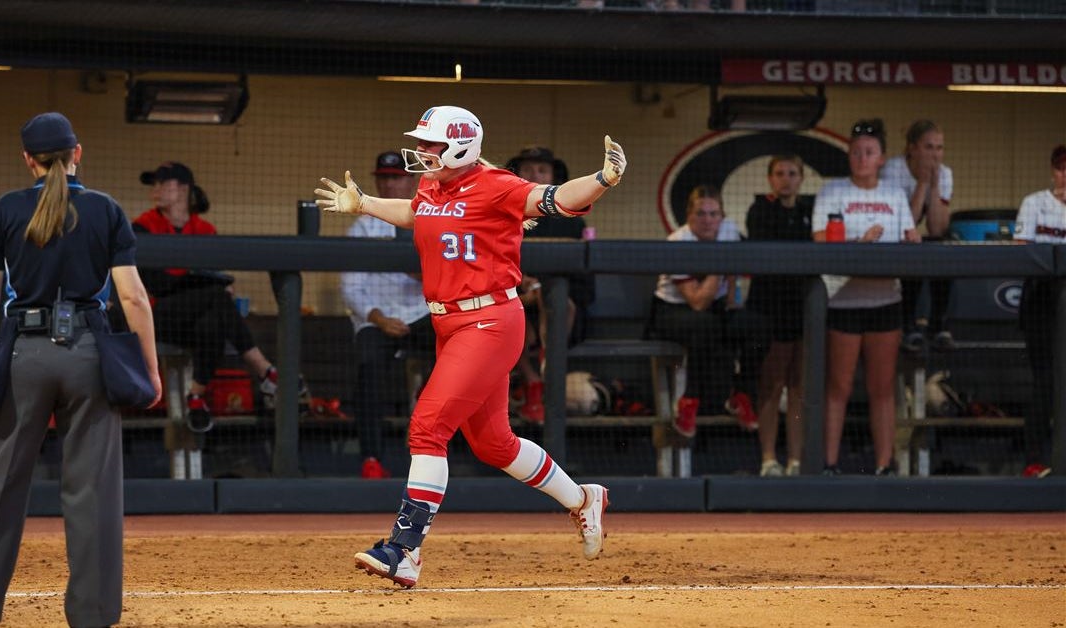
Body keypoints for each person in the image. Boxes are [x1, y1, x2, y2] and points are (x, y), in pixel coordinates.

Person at [316, 105, 624, 587]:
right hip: (448, 324)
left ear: (460, 145)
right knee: (493, 443)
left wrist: (602, 178)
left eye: (431, 145)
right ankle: (583, 499)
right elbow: (417, 214)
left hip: (490, 320)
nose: (421, 152)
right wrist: (365, 204)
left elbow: (556, 198)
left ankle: (404, 549)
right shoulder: (431, 184)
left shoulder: (497, 183)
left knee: (427, 428)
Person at [0, 112, 161, 628]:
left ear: (28, 159)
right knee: (93, 493)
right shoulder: (106, 210)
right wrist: (148, 369)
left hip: (24, 354)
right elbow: (132, 296)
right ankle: (93, 616)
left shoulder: (7, 210)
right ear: (76, 153)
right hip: (90, 354)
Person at [132, 161, 298, 433]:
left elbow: (208, 278)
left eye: (163, 182)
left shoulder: (205, 229)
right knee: (214, 295)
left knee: (213, 321)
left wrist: (204, 284)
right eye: (154, 183)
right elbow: (156, 284)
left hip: (195, 320)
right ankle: (264, 369)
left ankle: (195, 397)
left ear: (183, 188)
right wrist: (203, 282)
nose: (156, 189)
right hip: (158, 317)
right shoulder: (142, 226)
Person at [813, 118, 920, 476]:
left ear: (882, 159)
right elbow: (820, 242)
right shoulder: (832, 191)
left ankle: (885, 465)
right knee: (839, 386)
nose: (861, 157)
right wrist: (859, 247)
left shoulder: (893, 194)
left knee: (882, 387)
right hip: (843, 301)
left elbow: (909, 239)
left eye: (869, 152)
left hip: (885, 300)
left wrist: (909, 244)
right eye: (856, 152)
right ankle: (829, 464)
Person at [341, 151, 434, 479]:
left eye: (396, 177)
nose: (390, 183)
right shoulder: (362, 227)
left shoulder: (430, 217)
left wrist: (420, 273)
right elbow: (351, 287)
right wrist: (378, 318)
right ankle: (371, 458)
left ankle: (438, 447)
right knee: (368, 365)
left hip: (423, 312)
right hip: (378, 319)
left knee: (456, 346)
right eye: (384, 177)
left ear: (410, 180)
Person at [647, 185, 765, 439]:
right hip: (672, 311)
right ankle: (688, 403)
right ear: (689, 215)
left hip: (714, 308)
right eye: (701, 214)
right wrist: (720, 261)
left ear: (722, 215)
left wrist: (734, 304)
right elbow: (697, 301)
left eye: (714, 214)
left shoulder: (729, 230)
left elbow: (731, 287)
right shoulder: (678, 242)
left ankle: (741, 395)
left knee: (756, 325)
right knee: (705, 325)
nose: (708, 220)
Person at [504, 146, 596, 423]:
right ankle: (535, 382)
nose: (534, 175)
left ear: (553, 177)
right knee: (507, 321)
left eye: (541, 170)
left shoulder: (572, 220)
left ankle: (544, 369)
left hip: (563, 315)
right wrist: (521, 285)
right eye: (528, 169)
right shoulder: (504, 215)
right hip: (515, 304)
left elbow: (586, 287)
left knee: (557, 302)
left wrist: (543, 290)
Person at [745, 155, 812, 477]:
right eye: (780, 173)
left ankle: (796, 461)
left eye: (792, 173)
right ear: (770, 178)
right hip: (769, 308)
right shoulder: (759, 211)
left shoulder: (811, 213)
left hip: (804, 307)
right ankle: (768, 459)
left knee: (799, 386)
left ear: (802, 178)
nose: (786, 179)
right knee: (771, 385)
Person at [1012, 144, 1066, 479]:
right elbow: (1021, 251)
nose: (1065, 175)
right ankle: (1036, 461)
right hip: (1041, 301)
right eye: (1061, 168)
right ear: (1052, 170)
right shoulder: (1035, 203)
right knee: (1044, 382)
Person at [881, 119, 955, 352]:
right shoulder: (892, 170)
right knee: (911, 247)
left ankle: (938, 324)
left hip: (916, 235)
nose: (935, 154)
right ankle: (908, 324)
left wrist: (933, 188)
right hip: (888, 236)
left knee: (944, 247)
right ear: (912, 148)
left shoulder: (945, 174)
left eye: (939, 148)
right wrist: (922, 183)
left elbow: (937, 229)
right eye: (928, 147)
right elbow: (906, 224)